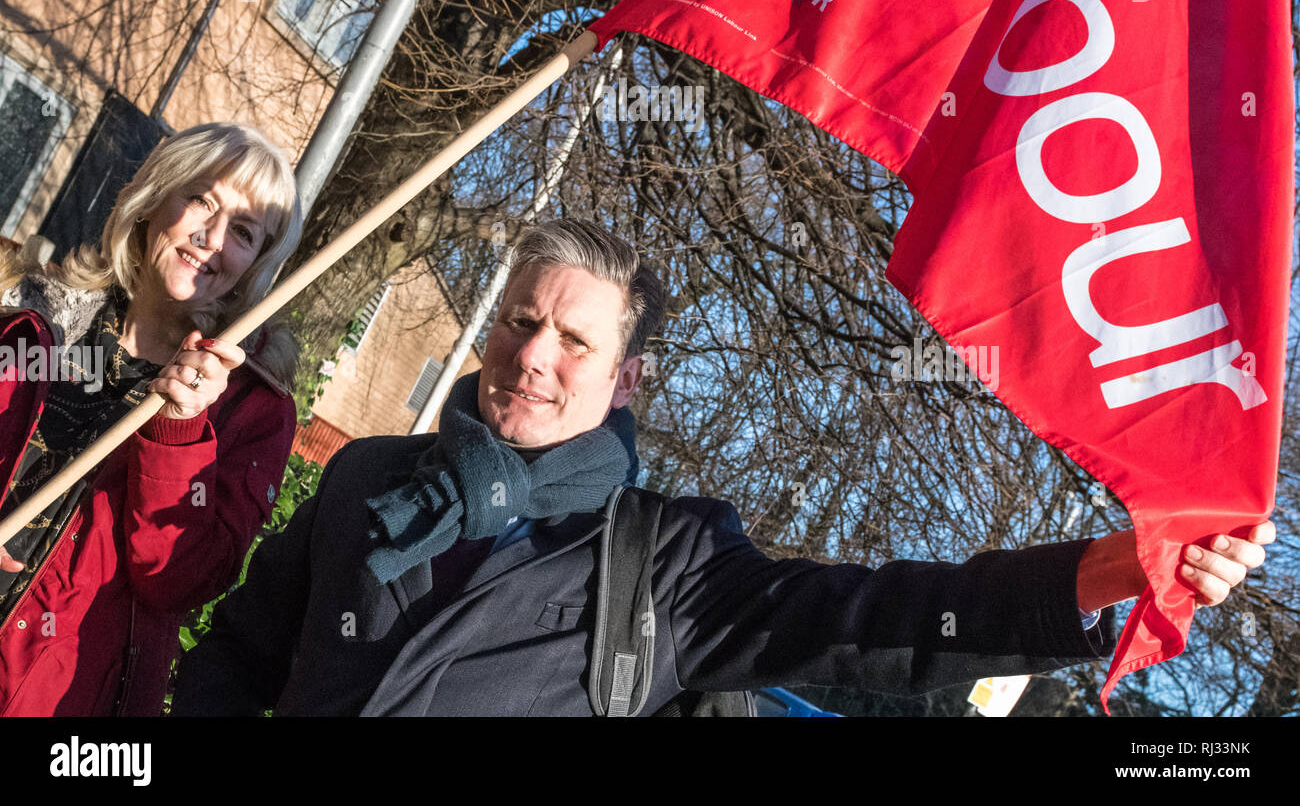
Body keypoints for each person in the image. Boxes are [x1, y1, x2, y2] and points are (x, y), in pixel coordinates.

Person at [171, 218, 1271, 717]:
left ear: (626, 382)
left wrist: (1101, 575)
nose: (532, 355)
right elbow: (239, 653)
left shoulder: (666, 561)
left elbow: (871, 621)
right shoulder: (367, 477)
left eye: (574, 341)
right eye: (520, 321)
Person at [0, 122, 303, 716]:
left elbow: (180, 581)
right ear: (154, 197)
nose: (211, 238)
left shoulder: (253, 407)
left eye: (242, 231)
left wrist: (182, 431)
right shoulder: (32, 322)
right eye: (201, 200)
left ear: (255, 265)